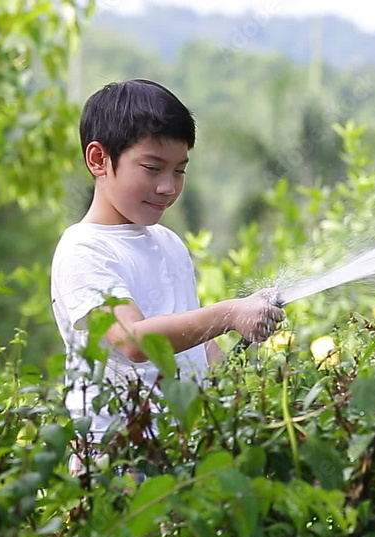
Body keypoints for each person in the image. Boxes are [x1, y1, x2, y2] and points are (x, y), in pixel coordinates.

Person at [50, 78, 284, 475]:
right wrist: (228, 314)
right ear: (98, 159)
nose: (167, 187)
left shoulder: (169, 242)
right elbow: (133, 340)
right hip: (118, 458)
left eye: (179, 171)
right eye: (152, 168)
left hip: (183, 448)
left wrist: (232, 384)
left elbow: (199, 349)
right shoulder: (84, 249)